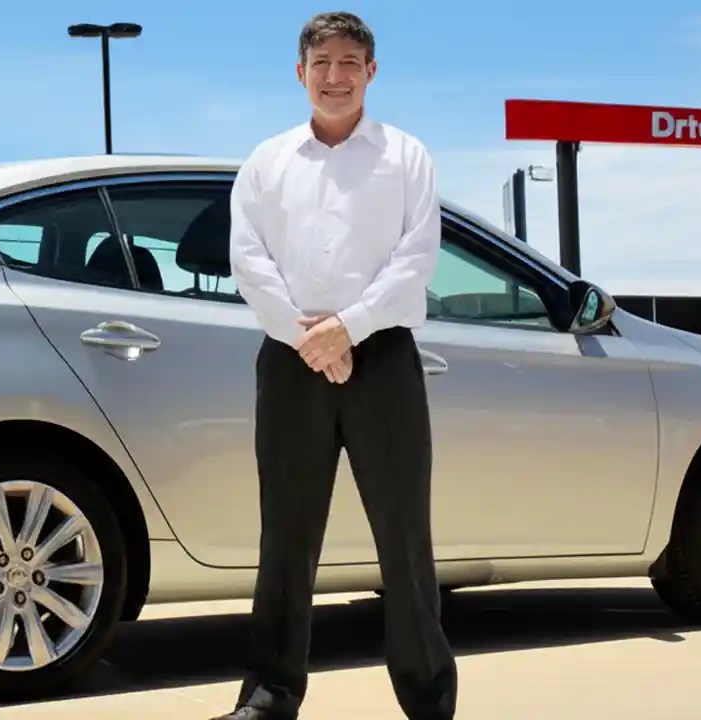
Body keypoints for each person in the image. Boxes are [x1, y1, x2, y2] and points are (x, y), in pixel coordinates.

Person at [209, 11, 458, 720]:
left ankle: (429, 699)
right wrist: (309, 336)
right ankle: (269, 695)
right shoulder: (267, 163)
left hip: (383, 358)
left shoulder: (407, 157)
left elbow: (416, 261)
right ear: (300, 73)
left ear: (371, 73)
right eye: (322, 64)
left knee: (405, 537)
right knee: (286, 535)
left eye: (350, 63)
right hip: (291, 359)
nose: (336, 76)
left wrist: (348, 327)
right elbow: (247, 259)